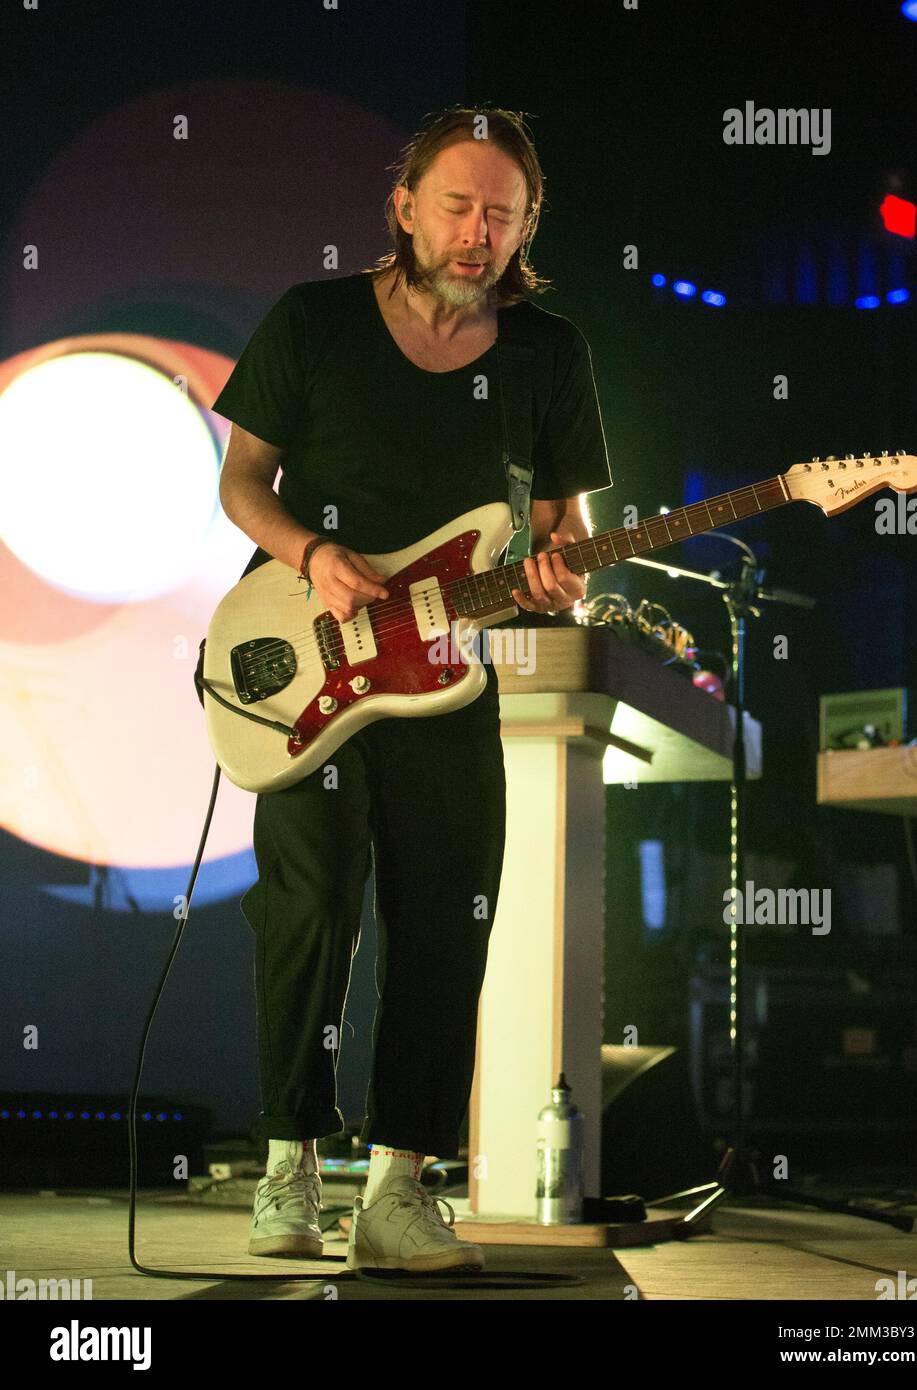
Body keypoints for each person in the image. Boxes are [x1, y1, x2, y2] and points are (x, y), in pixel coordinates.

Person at [210, 105, 612, 1273]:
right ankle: (286, 1162)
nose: (476, 230)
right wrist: (308, 552)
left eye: (502, 212)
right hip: (313, 663)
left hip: (447, 677)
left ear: (526, 223)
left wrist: (554, 584)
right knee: (310, 902)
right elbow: (241, 480)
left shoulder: (551, 352)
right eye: (456, 203)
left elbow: (562, 539)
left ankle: (398, 1189)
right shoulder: (315, 319)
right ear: (404, 204)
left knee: (448, 921)